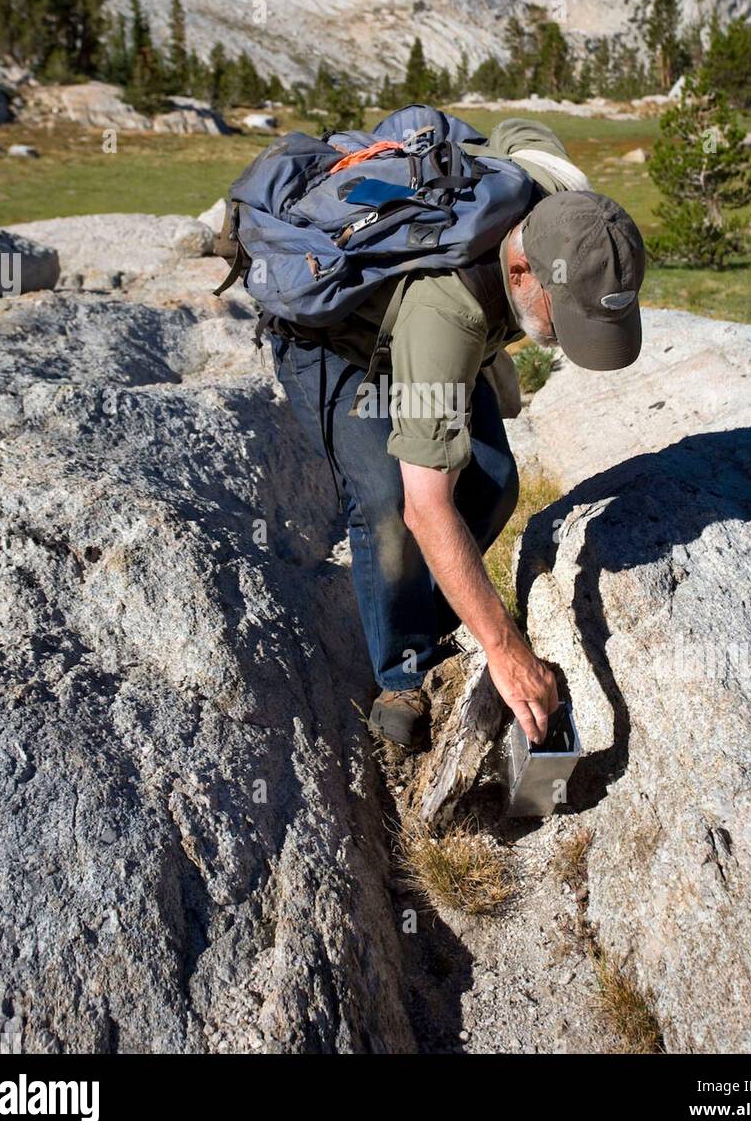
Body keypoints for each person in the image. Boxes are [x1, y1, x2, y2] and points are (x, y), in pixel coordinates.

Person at [271, 120, 645, 748]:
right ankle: (404, 672)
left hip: (431, 334)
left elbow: (522, 130)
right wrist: (506, 649)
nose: (565, 340)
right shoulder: (450, 313)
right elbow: (426, 506)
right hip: (339, 343)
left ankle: (438, 618)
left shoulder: (567, 212)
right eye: (563, 320)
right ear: (521, 273)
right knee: (389, 502)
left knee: (493, 482)